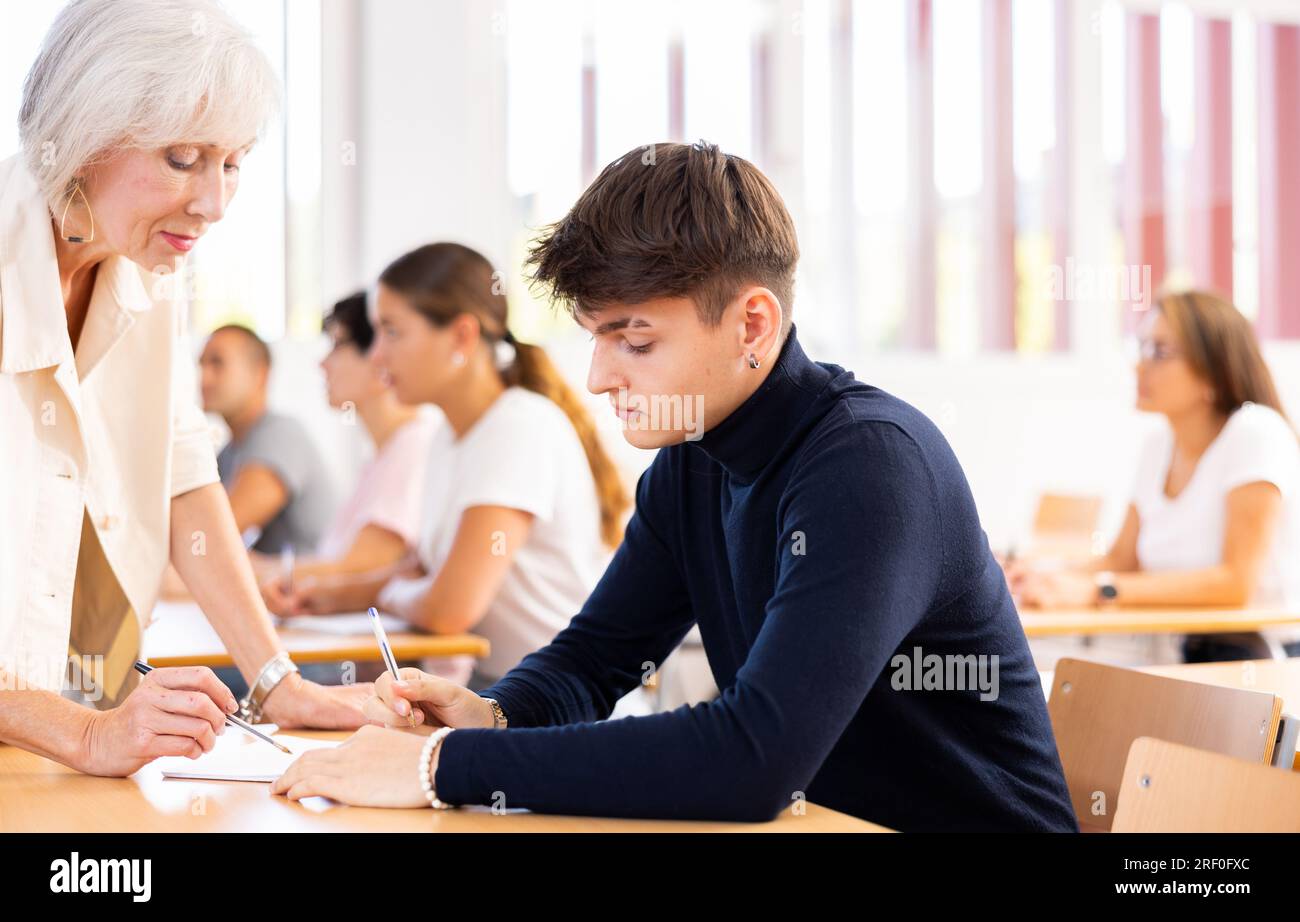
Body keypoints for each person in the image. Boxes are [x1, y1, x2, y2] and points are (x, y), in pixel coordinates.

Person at [272, 141, 1078, 832]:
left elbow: (753, 759)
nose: (597, 377)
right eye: (596, 338)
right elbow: (594, 659)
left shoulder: (871, 467)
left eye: (636, 339)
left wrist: (442, 767)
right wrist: (492, 713)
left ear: (752, 325)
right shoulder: (694, 460)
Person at [0, 0, 368, 779]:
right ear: (85, 133)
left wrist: (277, 680)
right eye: (182, 157)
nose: (215, 203)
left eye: (231, 162)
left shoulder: (150, 271)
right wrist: (87, 736)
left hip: (56, 724)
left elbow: (182, 479)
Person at [269, 243, 629, 691]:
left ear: (461, 336)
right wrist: (334, 595)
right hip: (506, 688)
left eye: (392, 332)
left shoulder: (516, 427)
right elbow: (424, 570)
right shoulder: (447, 435)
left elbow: (449, 606)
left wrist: (386, 595)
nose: (377, 355)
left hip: (566, 705)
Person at [1007, 291, 1300, 661]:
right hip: (1173, 654)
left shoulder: (1256, 432)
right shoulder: (1158, 444)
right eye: (1142, 348)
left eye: (1160, 353)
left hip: (1254, 661)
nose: (1139, 367)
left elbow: (1235, 583)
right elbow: (1120, 559)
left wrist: (1102, 590)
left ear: (1214, 373)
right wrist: (1044, 573)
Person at [255, 292, 436, 603]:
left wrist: (248, 571)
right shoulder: (384, 455)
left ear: (380, 356)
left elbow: (354, 570)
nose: (322, 364)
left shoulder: (414, 448)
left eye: (338, 345)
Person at [200, 323, 337, 555]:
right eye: (201, 364)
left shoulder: (281, 435)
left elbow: (218, 535)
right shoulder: (228, 454)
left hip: (309, 587)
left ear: (260, 373)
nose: (203, 378)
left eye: (217, 363)